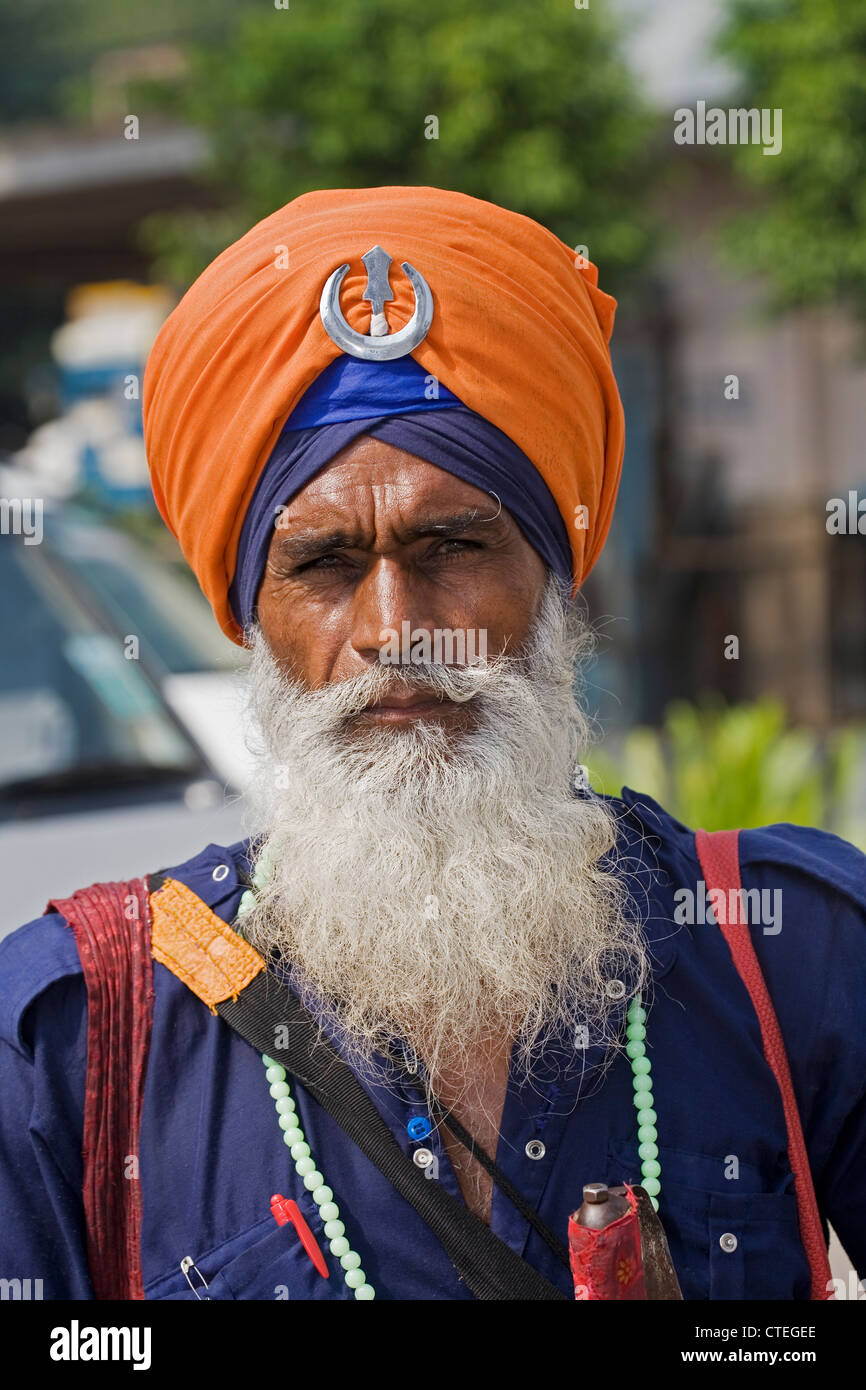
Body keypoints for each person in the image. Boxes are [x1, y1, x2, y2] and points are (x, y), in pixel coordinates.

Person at [1, 187, 864, 1302]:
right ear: (247, 613)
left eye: (452, 541)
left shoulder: (792, 951)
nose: (393, 627)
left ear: (558, 574)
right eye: (322, 565)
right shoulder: (72, 1043)